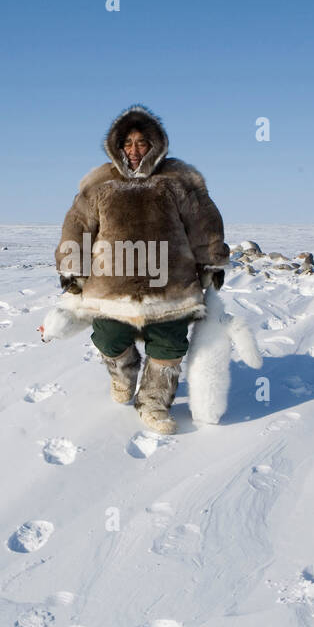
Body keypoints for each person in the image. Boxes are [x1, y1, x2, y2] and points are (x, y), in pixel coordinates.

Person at [47, 105, 229, 434]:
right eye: (128, 143)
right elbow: (77, 227)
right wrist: (72, 269)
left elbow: (205, 225)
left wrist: (212, 260)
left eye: (141, 143)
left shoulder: (179, 180)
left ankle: (153, 402)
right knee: (108, 337)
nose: (134, 150)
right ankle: (124, 372)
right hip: (110, 286)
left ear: (155, 145)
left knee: (170, 344)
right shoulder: (99, 182)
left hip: (170, 285)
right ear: (118, 147)